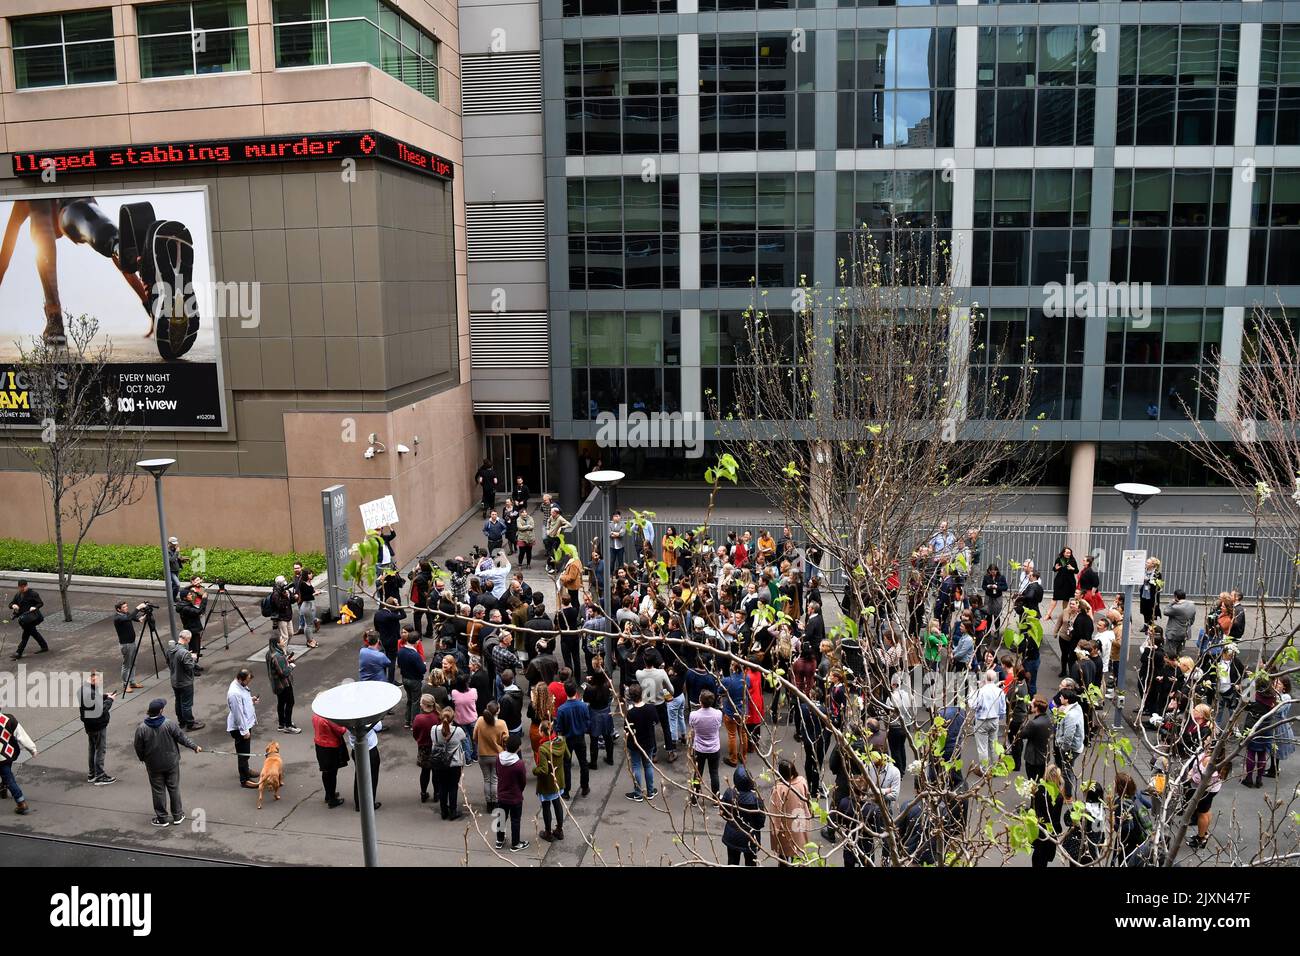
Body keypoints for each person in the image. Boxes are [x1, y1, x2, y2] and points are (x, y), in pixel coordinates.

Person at [133, 699, 201, 827]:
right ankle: (177, 815)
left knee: (158, 790)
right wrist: (194, 747)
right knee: (173, 788)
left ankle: (162, 818)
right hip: (171, 762)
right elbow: (181, 737)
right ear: (160, 711)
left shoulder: (141, 728)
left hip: (153, 765)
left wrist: (144, 758)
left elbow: (138, 747)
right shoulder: (168, 724)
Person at [769, 758, 812, 866]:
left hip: (785, 826)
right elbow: (808, 799)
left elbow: (775, 812)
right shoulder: (802, 781)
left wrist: (775, 829)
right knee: (797, 852)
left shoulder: (779, 788)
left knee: (784, 854)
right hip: (799, 822)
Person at [720, 764, 765, 866]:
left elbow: (723, 812)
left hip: (732, 835)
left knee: (732, 862)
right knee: (751, 863)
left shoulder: (729, 793)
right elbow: (761, 821)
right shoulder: (756, 799)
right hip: (750, 837)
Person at [78, 670, 117, 786]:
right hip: (98, 724)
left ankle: (92, 774)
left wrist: (105, 695)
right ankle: (100, 776)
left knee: (92, 748)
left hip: (89, 725)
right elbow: (101, 709)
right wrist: (110, 700)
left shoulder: (82, 690)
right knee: (100, 749)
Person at [554, 680, 591, 798]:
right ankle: (585, 787)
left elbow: (559, 727)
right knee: (583, 763)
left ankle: (566, 790)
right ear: (575, 691)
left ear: (565, 692)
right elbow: (587, 722)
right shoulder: (583, 706)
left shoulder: (561, 709)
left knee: (566, 765)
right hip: (580, 738)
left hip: (567, 739)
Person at [1185, 753, 1231, 849]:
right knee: (1206, 811)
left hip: (1205, 791)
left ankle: (1200, 839)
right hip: (1212, 789)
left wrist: (1191, 777)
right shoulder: (1217, 759)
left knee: (1202, 813)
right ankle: (1204, 834)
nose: (1205, 740)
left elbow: (1199, 779)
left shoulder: (1209, 762)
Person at [624, 683, 659, 801]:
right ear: (642, 694)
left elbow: (626, 728)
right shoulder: (651, 708)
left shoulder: (631, 713)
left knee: (636, 766)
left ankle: (638, 793)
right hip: (648, 741)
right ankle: (650, 791)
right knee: (648, 765)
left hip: (635, 743)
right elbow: (656, 721)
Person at [534, 720, 568, 841]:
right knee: (557, 804)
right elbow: (568, 756)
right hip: (558, 779)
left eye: (539, 730)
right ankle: (559, 830)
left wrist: (534, 770)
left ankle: (548, 833)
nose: (538, 732)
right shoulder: (561, 740)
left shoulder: (543, 748)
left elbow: (543, 770)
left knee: (546, 806)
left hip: (547, 783)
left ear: (543, 732)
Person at [226, 668, 259, 789]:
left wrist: (251, 700)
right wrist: (244, 731)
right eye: (247, 681)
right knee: (243, 753)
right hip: (240, 728)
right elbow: (238, 714)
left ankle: (246, 770)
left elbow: (243, 702)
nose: (248, 683)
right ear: (240, 679)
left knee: (245, 752)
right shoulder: (234, 693)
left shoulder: (240, 686)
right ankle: (244, 779)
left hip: (246, 724)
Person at [688, 690, 723, 804]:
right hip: (713, 748)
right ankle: (716, 798)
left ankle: (695, 796)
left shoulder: (694, 715)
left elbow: (692, 727)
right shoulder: (718, 714)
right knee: (714, 773)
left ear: (700, 701)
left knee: (697, 773)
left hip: (699, 748)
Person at [0, 710, 38, 813]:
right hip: (9, 753)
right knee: (6, 772)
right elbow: (21, 735)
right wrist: (32, 749)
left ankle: (21, 802)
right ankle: (3, 790)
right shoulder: (8, 719)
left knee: (8, 777)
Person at [473, 700, 509, 811]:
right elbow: (506, 739)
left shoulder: (480, 721)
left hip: (483, 755)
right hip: (497, 755)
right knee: (495, 779)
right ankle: (495, 801)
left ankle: (488, 802)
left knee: (487, 779)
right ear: (497, 711)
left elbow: (474, 737)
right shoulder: (501, 723)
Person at [496, 736, 530, 852]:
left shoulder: (498, 758)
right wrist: (519, 790)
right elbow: (523, 781)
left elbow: (497, 773)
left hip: (501, 794)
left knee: (501, 818)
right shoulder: (519, 764)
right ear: (518, 748)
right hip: (515, 796)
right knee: (515, 820)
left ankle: (499, 840)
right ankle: (515, 843)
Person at [165, 630, 204, 731]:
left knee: (178, 702)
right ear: (187, 639)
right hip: (185, 682)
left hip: (174, 680)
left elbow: (169, 663)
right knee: (186, 704)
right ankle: (190, 724)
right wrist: (193, 658)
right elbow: (189, 667)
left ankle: (182, 722)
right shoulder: (185, 653)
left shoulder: (170, 650)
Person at [1030, 764, 1066, 868]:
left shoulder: (1038, 790)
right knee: (1044, 859)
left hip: (1039, 827)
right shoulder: (1058, 796)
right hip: (1050, 830)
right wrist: (1057, 831)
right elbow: (1056, 818)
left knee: (1037, 856)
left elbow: (1034, 809)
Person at [969, 669, 1006, 769]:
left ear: (985, 678)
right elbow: (1003, 709)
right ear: (995, 679)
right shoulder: (1000, 691)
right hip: (994, 720)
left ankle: (984, 769)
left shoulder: (981, 691)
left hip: (982, 720)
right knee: (994, 745)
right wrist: (999, 718)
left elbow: (972, 705)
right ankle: (995, 767)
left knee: (982, 747)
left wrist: (972, 692)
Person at [312, 710, 349, 808]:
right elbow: (341, 730)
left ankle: (328, 794)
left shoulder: (316, 715)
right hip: (330, 747)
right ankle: (332, 799)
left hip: (320, 746)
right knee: (332, 773)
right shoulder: (328, 718)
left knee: (326, 772)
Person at [265, 633, 301, 734]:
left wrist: (287, 661)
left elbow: (276, 668)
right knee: (290, 702)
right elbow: (284, 673)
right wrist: (291, 666)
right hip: (284, 684)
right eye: (281, 640)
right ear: (277, 643)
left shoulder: (269, 653)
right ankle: (288, 725)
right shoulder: (278, 656)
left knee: (281, 702)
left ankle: (282, 723)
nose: (283, 641)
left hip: (276, 684)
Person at [113, 600, 149, 694]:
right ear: (118, 609)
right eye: (124, 607)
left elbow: (134, 618)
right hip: (126, 644)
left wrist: (142, 617)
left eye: (126, 606)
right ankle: (125, 685)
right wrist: (138, 608)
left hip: (132, 642)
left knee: (133, 663)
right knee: (127, 665)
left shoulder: (126, 614)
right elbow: (128, 617)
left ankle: (132, 682)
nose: (126, 608)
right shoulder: (117, 618)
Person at [8, 579, 48, 659]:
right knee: (33, 632)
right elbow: (10, 604)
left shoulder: (33, 594)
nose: (23, 589)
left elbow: (40, 603)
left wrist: (35, 607)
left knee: (25, 635)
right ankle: (44, 646)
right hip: (23, 619)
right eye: (21, 587)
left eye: (24, 587)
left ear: (27, 585)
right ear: (18, 587)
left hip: (32, 618)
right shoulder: (18, 594)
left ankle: (19, 652)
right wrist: (13, 606)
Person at [347, 723, 382, 812]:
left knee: (359, 775)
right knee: (372, 777)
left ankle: (358, 803)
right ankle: (370, 803)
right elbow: (379, 727)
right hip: (370, 749)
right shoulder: (368, 713)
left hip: (356, 749)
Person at [1018, 695, 1053, 781]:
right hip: (1044, 756)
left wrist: (1026, 717)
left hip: (1033, 759)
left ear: (1036, 708)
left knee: (1032, 782)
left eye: (1032, 704)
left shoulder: (1033, 723)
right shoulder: (1048, 719)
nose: (1030, 705)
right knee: (1040, 780)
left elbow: (1021, 734)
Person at [397, 631, 428, 729]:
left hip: (405, 679)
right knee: (416, 702)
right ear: (416, 641)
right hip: (414, 680)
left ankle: (407, 721)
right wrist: (423, 664)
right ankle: (414, 723)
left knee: (409, 700)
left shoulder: (401, 651)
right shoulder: (415, 655)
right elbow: (423, 670)